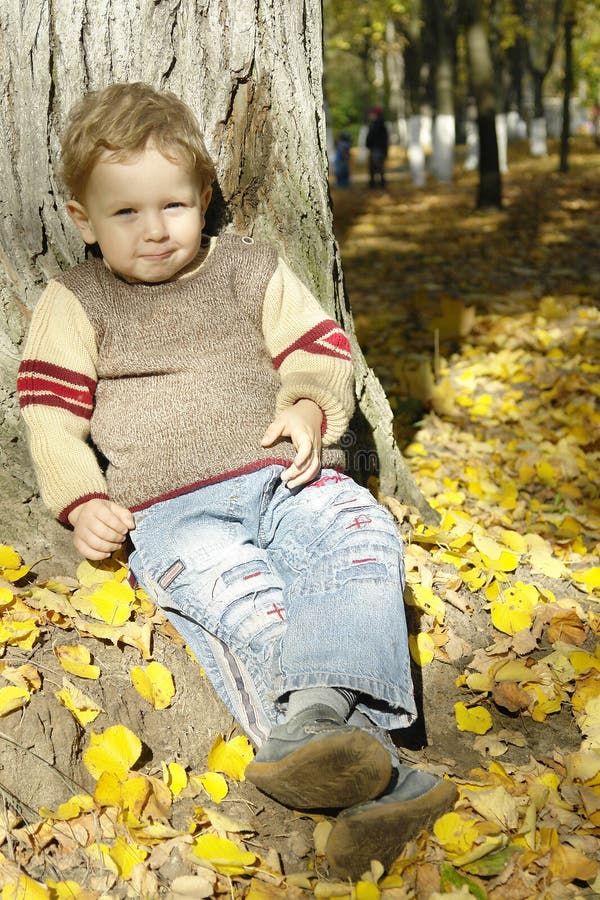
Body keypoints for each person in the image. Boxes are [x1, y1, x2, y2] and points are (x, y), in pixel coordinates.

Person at [17, 82, 455, 880]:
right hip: (174, 513)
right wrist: (82, 501)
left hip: (284, 475)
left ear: (205, 197)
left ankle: (329, 736)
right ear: (82, 219)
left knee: (358, 537)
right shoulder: (74, 300)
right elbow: (50, 416)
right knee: (249, 606)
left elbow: (319, 349)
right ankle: (381, 784)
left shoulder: (250, 268)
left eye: (175, 206)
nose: (155, 231)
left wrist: (309, 408)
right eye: (126, 214)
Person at [366, 106, 389, 189]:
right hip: (377, 149)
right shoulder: (377, 124)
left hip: (377, 149)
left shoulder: (378, 125)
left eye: (371, 114)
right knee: (377, 167)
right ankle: (377, 183)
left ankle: (377, 184)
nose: (370, 116)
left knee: (377, 166)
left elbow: (374, 138)